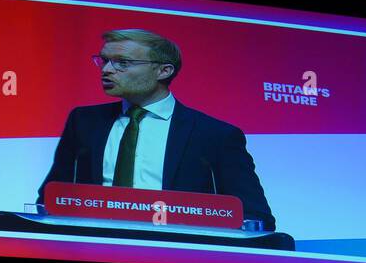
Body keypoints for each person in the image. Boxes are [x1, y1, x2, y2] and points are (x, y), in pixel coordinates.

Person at [37, 27, 277, 230]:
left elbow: (255, 217)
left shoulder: (215, 135)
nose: (107, 69)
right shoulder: (84, 122)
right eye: (104, 60)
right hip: (95, 247)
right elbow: (50, 199)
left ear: (164, 70)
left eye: (122, 63)